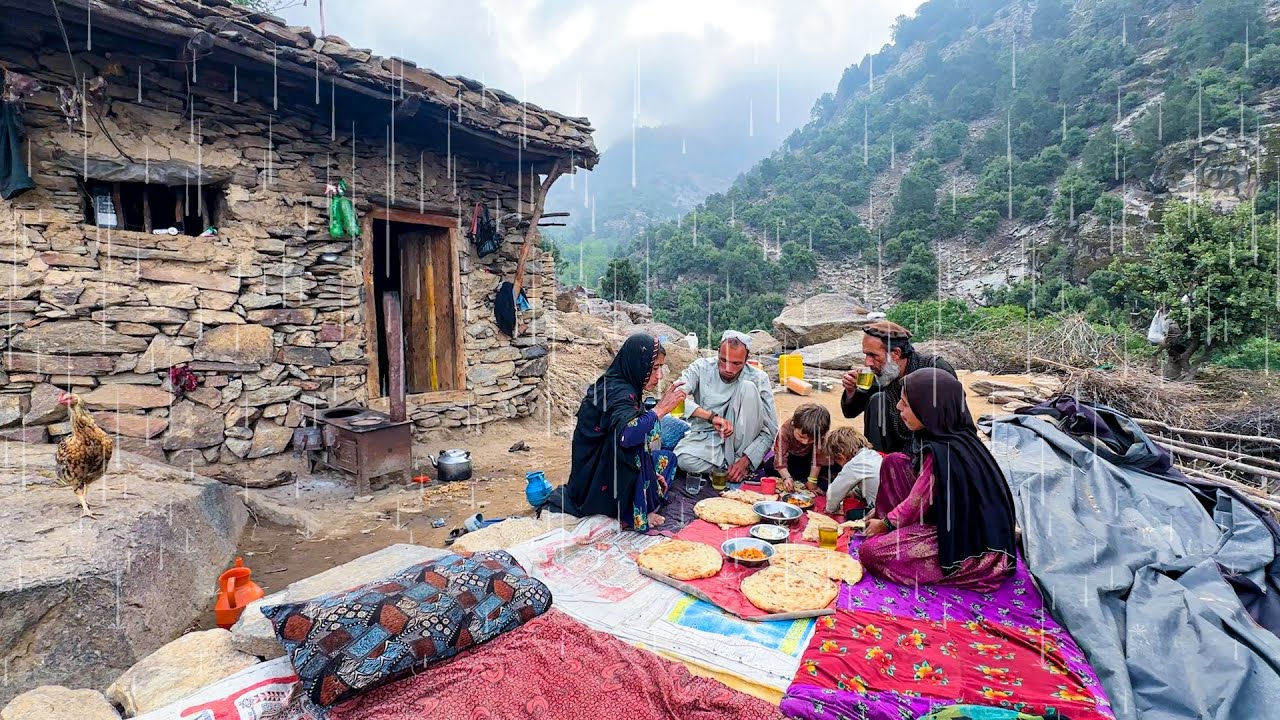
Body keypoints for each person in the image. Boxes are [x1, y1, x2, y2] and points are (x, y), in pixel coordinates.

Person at [859, 368, 1017, 592]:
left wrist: (885, 524)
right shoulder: (945, 434)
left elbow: (917, 501)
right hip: (947, 515)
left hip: (969, 539)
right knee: (894, 461)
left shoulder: (945, 452)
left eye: (905, 403)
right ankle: (897, 530)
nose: (898, 407)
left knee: (871, 553)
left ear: (927, 409)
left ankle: (966, 567)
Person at [551, 333, 687, 531]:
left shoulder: (618, 385)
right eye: (655, 368)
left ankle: (642, 492)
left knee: (668, 458)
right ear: (637, 364)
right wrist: (660, 410)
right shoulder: (620, 393)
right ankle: (635, 515)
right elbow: (626, 437)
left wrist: (650, 471)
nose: (659, 376)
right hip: (600, 480)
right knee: (637, 451)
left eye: (661, 368)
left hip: (602, 468)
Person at [673, 330, 779, 484]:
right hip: (707, 437)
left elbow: (770, 429)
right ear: (717, 353)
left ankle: (738, 465)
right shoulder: (701, 367)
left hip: (741, 442)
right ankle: (732, 469)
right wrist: (711, 417)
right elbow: (674, 398)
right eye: (723, 360)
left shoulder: (758, 378)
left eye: (736, 363)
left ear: (746, 359)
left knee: (748, 388)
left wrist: (745, 460)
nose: (728, 368)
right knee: (682, 459)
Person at [840, 320, 956, 454]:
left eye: (873, 355)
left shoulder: (934, 368)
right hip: (892, 450)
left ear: (895, 353)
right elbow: (850, 412)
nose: (867, 362)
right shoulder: (882, 374)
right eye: (866, 355)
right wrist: (851, 391)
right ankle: (878, 463)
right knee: (878, 400)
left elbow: (952, 420)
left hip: (932, 448)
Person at [773, 403, 837, 493]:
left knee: (832, 472)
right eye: (801, 436)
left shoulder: (821, 435)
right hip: (793, 457)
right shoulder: (785, 431)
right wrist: (786, 477)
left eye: (811, 440)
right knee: (771, 467)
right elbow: (780, 458)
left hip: (810, 459)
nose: (805, 442)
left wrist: (812, 480)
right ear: (793, 424)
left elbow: (818, 460)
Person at [821, 426, 882, 516]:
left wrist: (831, 510)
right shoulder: (873, 454)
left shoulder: (855, 463)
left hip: (880, 511)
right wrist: (854, 493)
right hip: (892, 506)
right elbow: (869, 482)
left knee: (851, 515)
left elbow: (833, 492)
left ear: (840, 456)